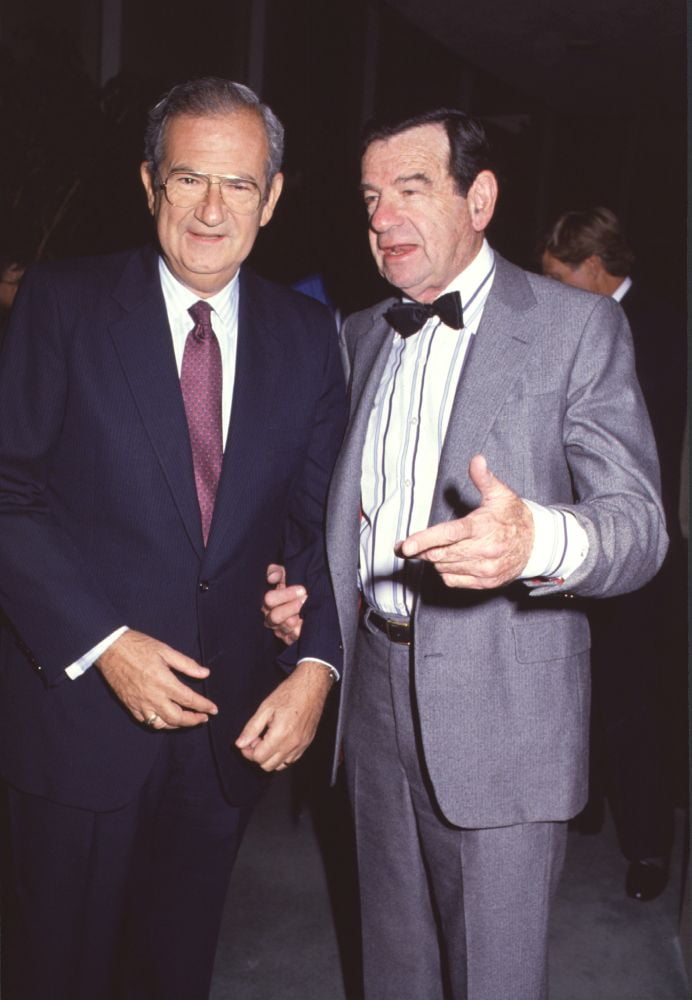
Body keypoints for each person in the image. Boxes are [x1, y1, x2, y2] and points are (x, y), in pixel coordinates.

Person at [261, 110, 667, 1000]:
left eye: (410, 189)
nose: (382, 218)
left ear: (479, 198)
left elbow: (640, 525)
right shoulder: (361, 334)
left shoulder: (575, 328)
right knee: (393, 967)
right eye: (371, 198)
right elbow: (344, 510)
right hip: (371, 696)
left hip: (505, 712)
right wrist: (310, 587)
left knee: (493, 978)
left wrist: (539, 540)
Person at [0, 77, 346, 1000]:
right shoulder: (63, 307)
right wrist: (102, 645)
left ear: (271, 198)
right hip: (79, 732)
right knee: (57, 971)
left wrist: (315, 666)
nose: (209, 209)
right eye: (188, 178)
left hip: (225, 739)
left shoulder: (310, 337)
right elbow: (7, 490)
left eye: (238, 185)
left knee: (173, 973)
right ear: (149, 184)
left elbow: (316, 527)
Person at [541, 206, 686, 900]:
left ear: (595, 268)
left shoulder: (659, 328)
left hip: (640, 547)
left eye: (561, 276)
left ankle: (651, 847)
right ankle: (586, 805)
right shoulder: (586, 322)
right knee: (581, 678)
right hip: (580, 536)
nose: (554, 292)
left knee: (634, 696)